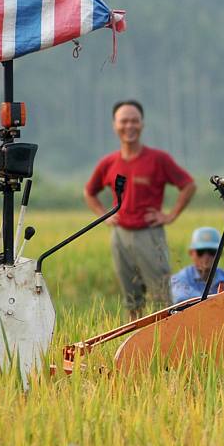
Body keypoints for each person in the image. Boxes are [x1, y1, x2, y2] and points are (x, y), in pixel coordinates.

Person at [85, 99, 197, 319]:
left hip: (150, 234)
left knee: (161, 297)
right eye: (124, 121)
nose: (129, 126)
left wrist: (170, 215)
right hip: (119, 236)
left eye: (134, 121)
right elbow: (89, 192)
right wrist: (104, 216)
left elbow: (189, 185)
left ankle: (165, 344)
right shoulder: (109, 163)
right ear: (114, 125)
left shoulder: (158, 159)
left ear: (142, 124)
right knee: (131, 299)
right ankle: (134, 347)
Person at [169, 227, 224, 304]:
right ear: (191, 253)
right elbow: (182, 299)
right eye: (200, 252)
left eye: (211, 252)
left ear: (221, 253)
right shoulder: (178, 280)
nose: (206, 257)